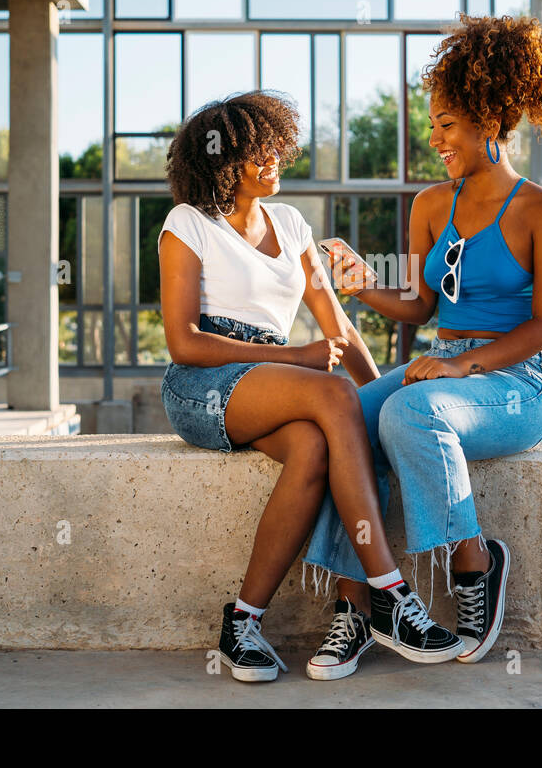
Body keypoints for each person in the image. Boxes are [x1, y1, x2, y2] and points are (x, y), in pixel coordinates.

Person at [303, 13, 542, 674]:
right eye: (432, 124)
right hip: (441, 367)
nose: (435, 139)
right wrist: (363, 284)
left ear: (490, 118)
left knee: (410, 409)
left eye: (447, 124)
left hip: (511, 384)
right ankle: (361, 606)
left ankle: (475, 562)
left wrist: (461, 365)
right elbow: (420, 305)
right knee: (338, 417)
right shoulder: (431, 204)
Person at [157, 90, 463, 683]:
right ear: (222, 161)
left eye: (275, 147)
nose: (273, 160)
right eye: (256, 152)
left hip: (274, 380)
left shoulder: (293, 223)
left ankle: (241, 622)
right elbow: (184, 342)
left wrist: (382, 398)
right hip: (202, 385)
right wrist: (296, 355)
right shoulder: (187, 223)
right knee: (329, 394)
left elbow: (340, 329)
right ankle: (391, 594)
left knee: (315, 447)